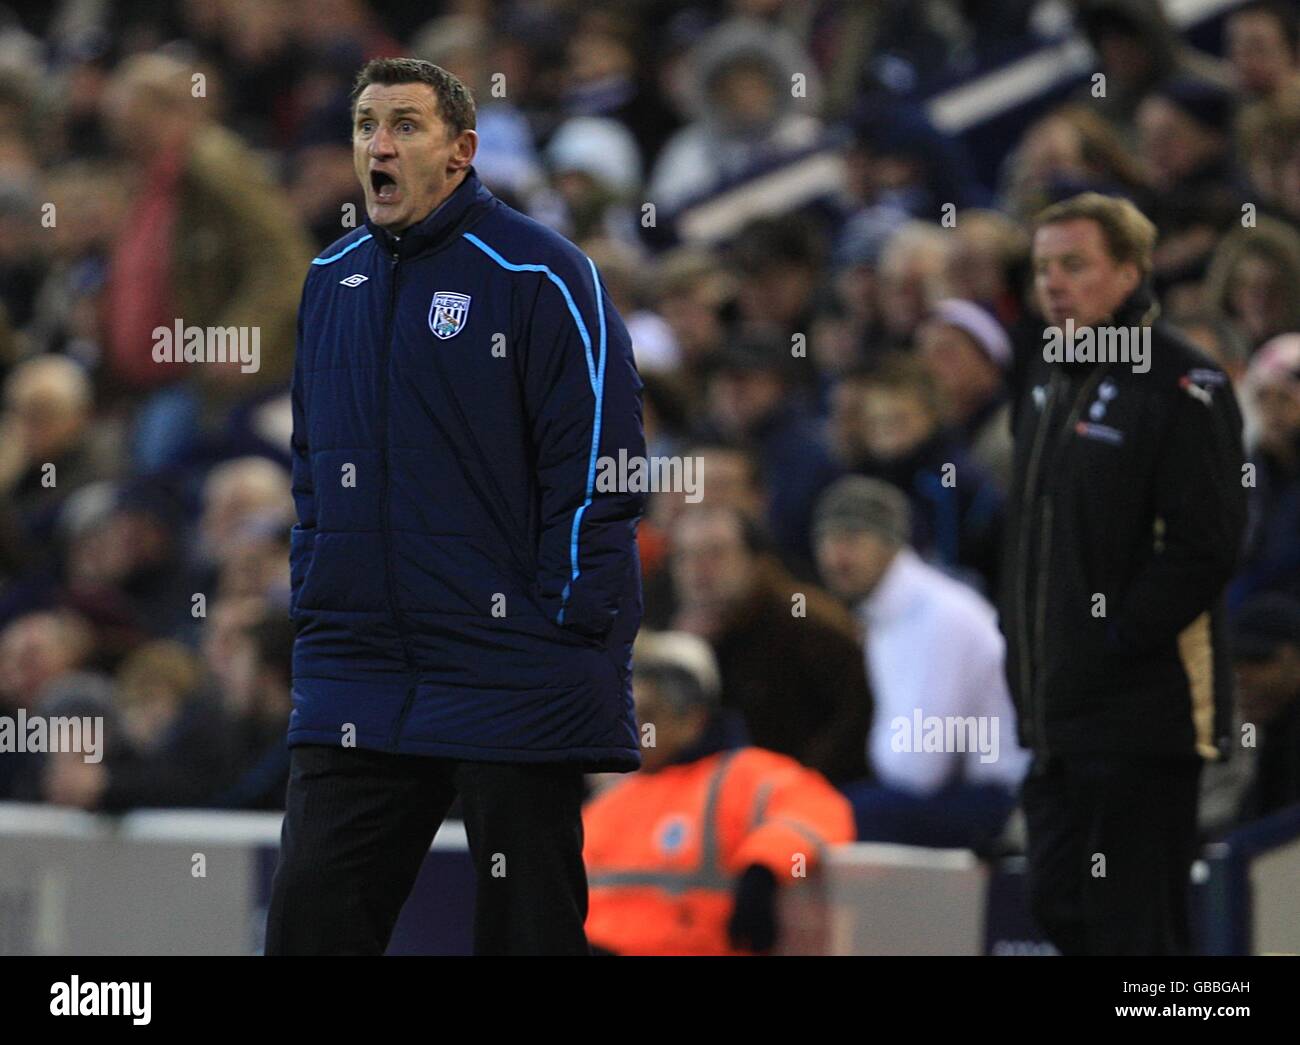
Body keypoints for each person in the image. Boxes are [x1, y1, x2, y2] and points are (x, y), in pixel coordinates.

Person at [265, 58, 648, 956]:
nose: (378, 144)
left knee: (529, 932)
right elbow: (313, 465)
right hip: (362, 662)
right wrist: (317, 594)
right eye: (364, 125)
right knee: (309, 921)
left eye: (404, 124)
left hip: (509, 660)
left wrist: (563, 616)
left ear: (462, 150)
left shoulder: (544, 274)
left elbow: (603, 460)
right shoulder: (331, 279)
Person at [1002, 192, 1247, 956]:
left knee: (1137, 930)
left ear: (1132, 269)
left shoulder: (1183, 384)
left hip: (1143, 713)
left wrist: (1112, 637)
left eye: (1075, 264)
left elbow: (1207, 547)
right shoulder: (1045, 378)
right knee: (1058, 903)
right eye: (1044, 268)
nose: (1054, 284)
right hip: (1054, 713)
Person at [583, 631, 854, 955]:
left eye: (649, 716)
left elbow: (819, 810)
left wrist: (764, 870)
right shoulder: (609, 799)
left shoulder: (741, 774)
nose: (634, 729)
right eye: (628, 716)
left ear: (693, 721)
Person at [812, 476, 1028, 851]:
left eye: (852, 539)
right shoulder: (885, 612)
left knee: (827, 818)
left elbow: (922, 767)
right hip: (949, 791)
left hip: (992, 796)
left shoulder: (941, 617)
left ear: (891, 543)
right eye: (827, 541)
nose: (836, 557)